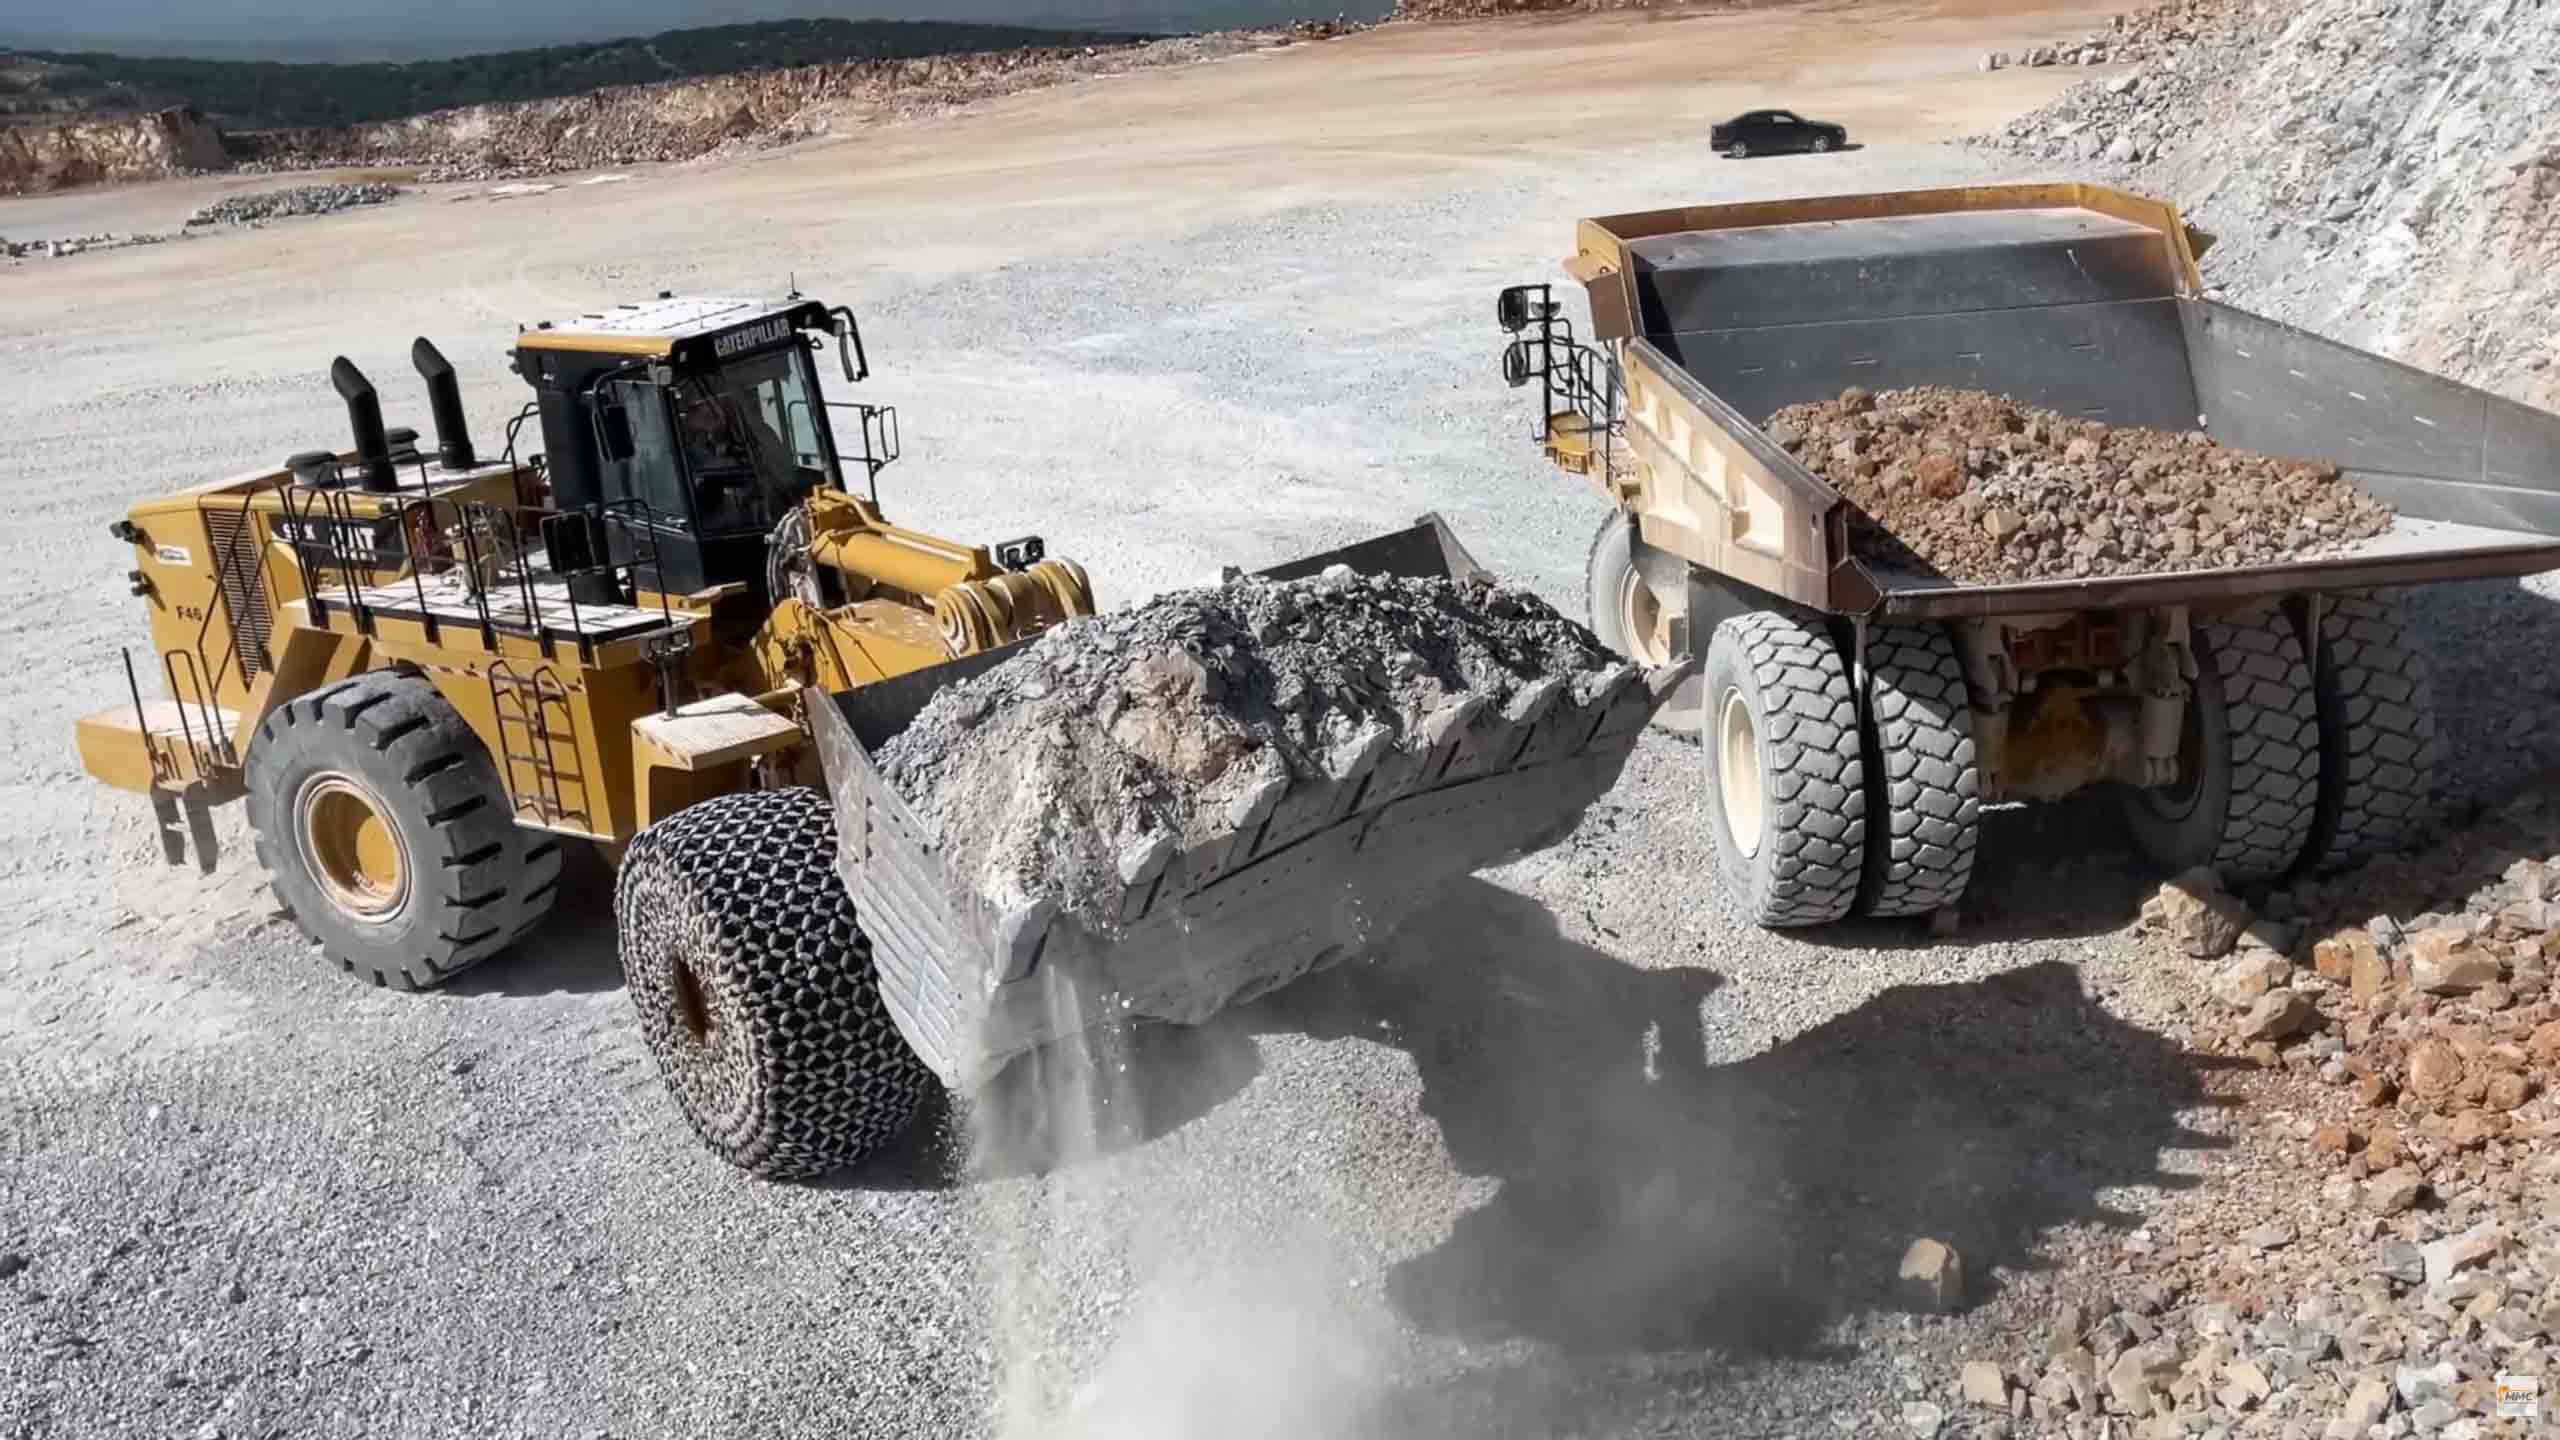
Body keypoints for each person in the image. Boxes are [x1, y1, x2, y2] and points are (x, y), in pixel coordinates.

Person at [677, 388, 800, 527]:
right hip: (713, 521)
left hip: (762, 513)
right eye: (698, 410)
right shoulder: (684, 444)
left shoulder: (754, 432)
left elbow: (782, 470)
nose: (712, 412)